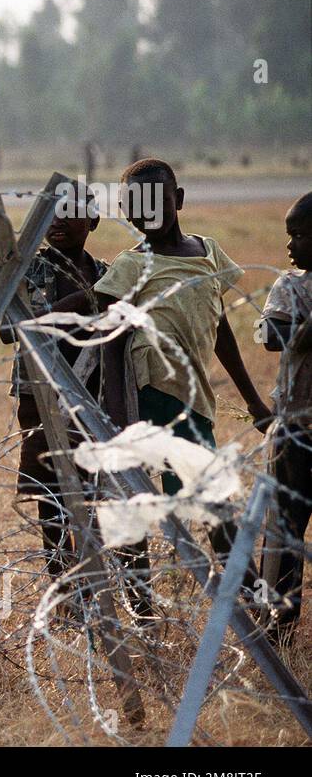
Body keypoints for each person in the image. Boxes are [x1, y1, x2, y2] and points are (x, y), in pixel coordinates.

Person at [52, 158, 272, 623]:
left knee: (193, 504)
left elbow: (221, 327)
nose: (147, 212)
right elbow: (111, 336)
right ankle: (152, 607)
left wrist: (252, 399)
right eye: (135, 204)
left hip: (195, 399)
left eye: (157, 200)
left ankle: (243, 598)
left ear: (180, 200)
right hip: (149, 397)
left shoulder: (208, 252)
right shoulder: (134, 264)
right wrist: (118, 416)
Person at [5, 179, 105, 597]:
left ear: (93, 219)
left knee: (91, 493)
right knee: (51, 495)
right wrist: (86, 299)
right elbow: (12, 329)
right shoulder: (30, 268)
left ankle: (92, 580)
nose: (59, 221)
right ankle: (61, 583)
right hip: (40, 397)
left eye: (70, 212)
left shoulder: (104, 272)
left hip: (93, 398)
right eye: (50, 214)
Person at [259, 191, 312, 646]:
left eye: (299, 234)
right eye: (288, 235)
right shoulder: (291, 287)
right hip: (295, 427)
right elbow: (275, 339)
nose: (291, 245)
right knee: (284, 531)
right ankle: (277, 629)